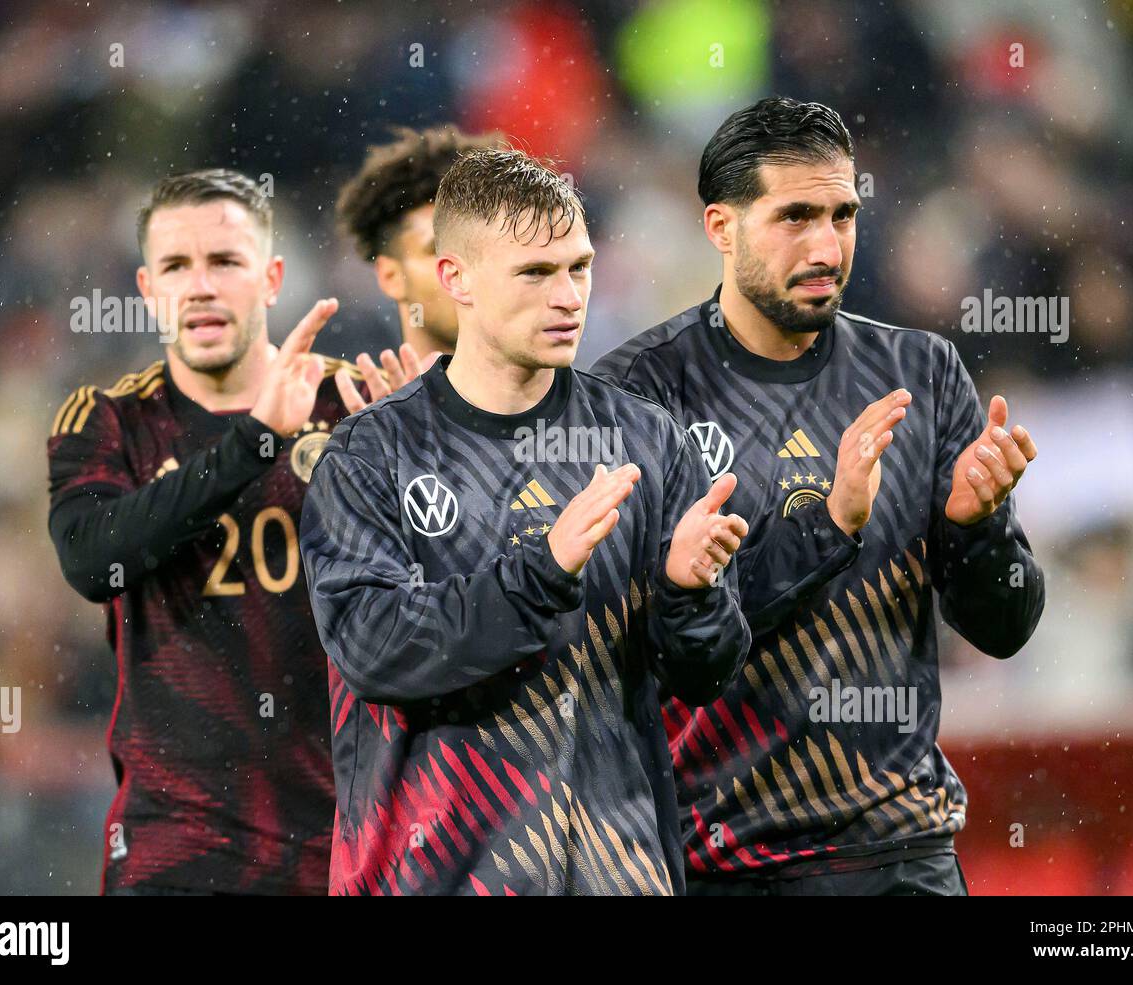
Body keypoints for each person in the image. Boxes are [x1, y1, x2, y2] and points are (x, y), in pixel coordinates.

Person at [592, 97, 1044, 896]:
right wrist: (829, 524)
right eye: (795, 216)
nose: (827, 245)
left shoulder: (922, 374)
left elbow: (1003, 626)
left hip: (908, 852)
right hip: (729, 863)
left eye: (843, 214)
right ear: (720, 227)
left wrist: (978, 532)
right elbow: (669, 656)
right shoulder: (639, 393)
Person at [300, 148, 752, 895]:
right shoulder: (369, 453)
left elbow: (704, 676)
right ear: (456, 279)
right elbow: (373, 649)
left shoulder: (645, 440)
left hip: (619, 873)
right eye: (536, 274)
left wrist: (690, 593)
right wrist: (540, 574)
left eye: (579, 268)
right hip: (436, 876)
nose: (567, 295)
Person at [48, 169, 370, 894]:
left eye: (224, 261)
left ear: (271, 276)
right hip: (177, 840)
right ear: (147, 288)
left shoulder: (353, 405)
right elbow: (93, 559)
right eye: (176, 266)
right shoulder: (108, 419)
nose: (200, 284)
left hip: (340, 834)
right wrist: (255, 442)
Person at [334, 125, 503, 410]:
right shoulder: (336, 417)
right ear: (391, 277)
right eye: (438, 250)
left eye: (481, 246)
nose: (467, 270)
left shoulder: (576, 413)